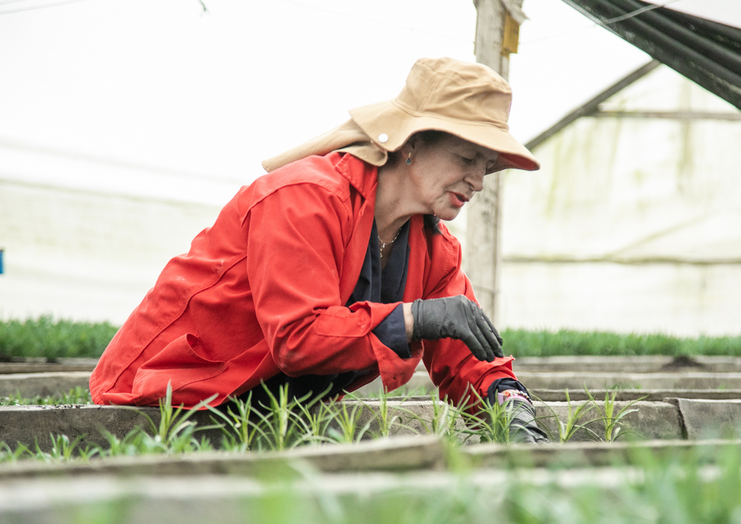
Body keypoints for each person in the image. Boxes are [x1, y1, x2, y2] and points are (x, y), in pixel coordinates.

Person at [89, 57, 549, 443]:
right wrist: (415, 318)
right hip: (165, 395)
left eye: (486, 168)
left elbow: (466, 354)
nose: (478, 181)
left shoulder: (432, 244)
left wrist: (509, 402)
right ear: (412, 143)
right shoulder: (304, 199)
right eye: (466, 159)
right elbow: (298, 339)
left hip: (266, 412)